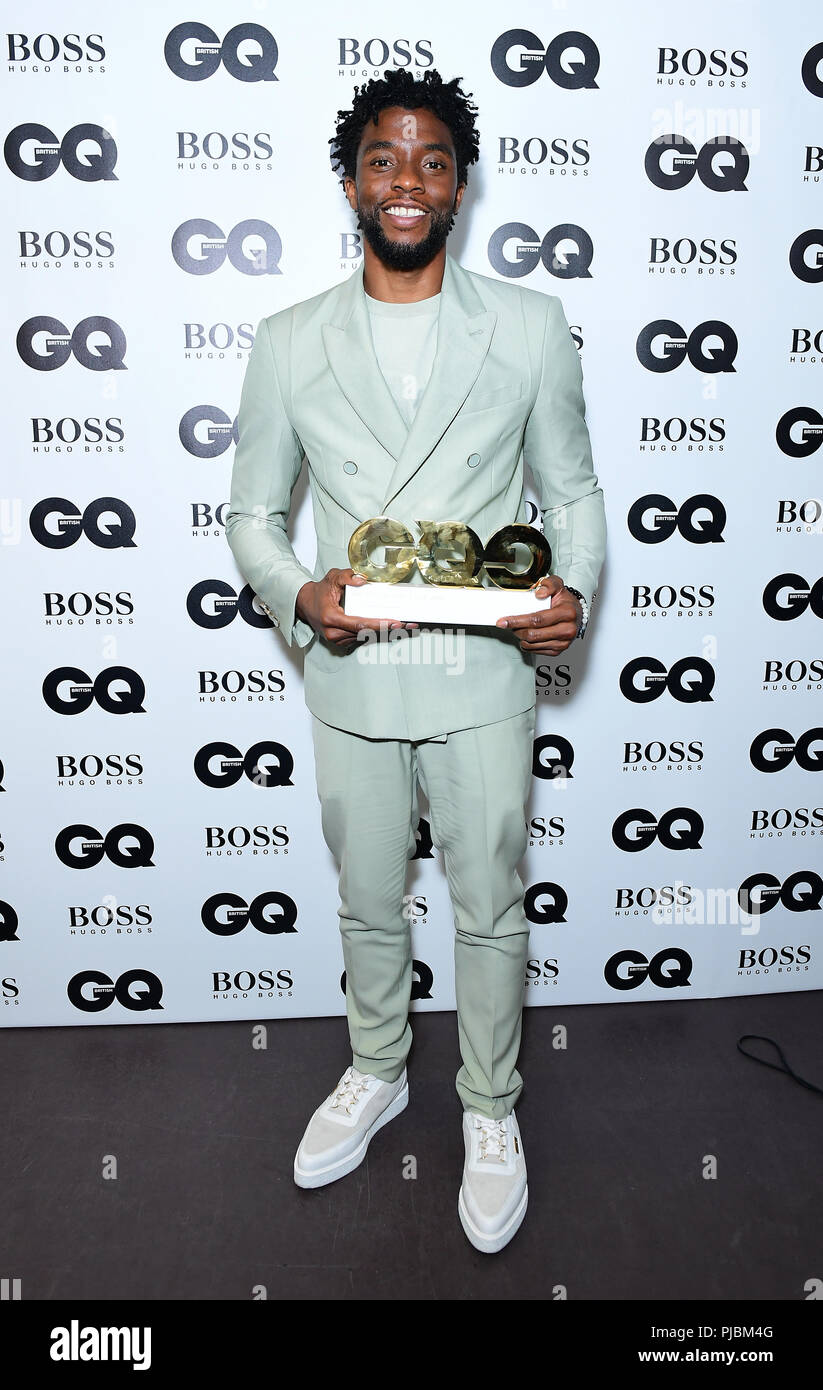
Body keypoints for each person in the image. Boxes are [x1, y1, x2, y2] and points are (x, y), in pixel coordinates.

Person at [225, 67, 606, 1254]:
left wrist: (572, 589)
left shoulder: (530, 325)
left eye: (431, 159)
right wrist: (302, 593)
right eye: (384, 158)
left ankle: (489, 1106)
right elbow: (249, 517)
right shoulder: (287, 341)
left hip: (482, 674)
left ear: (458, 184)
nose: (407, 179)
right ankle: (377, 1066)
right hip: (352, 673)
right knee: (366, 897)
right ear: (352, 181)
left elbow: (575, 488)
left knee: (489, 900)